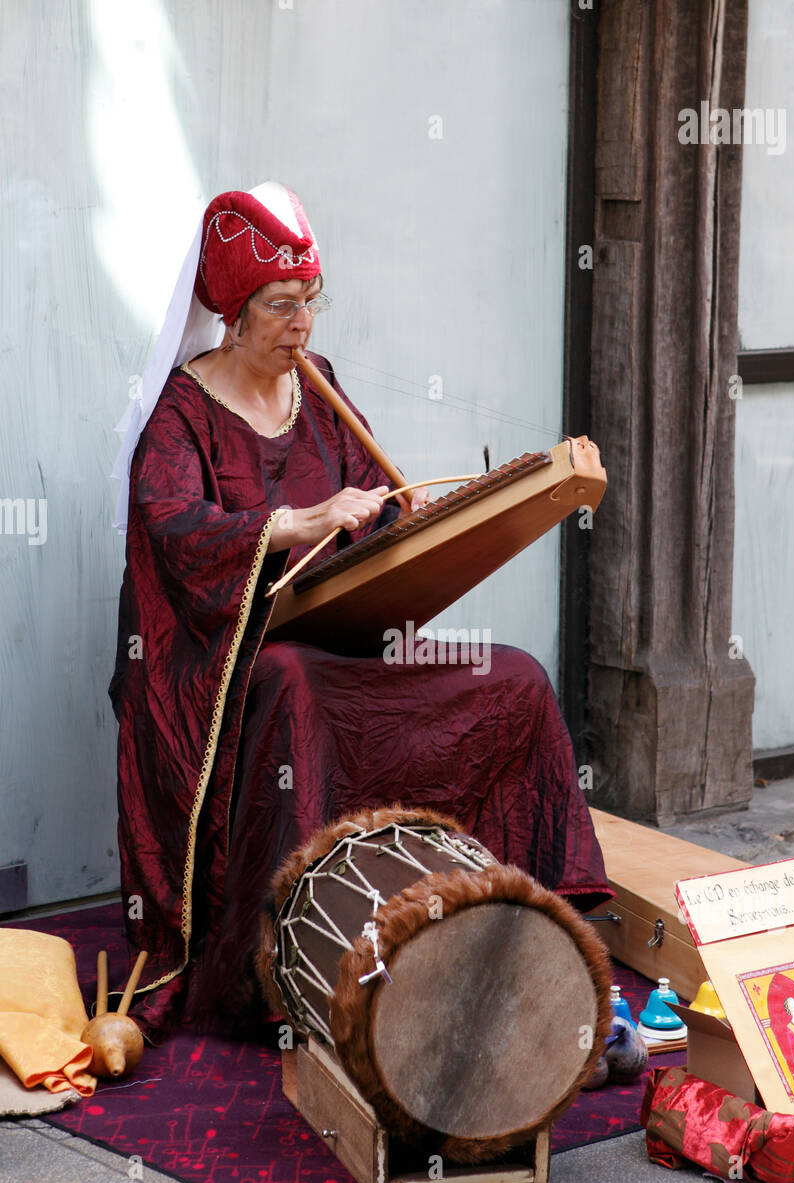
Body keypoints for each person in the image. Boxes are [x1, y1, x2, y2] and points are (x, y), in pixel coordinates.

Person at [108, 182, 611, 1040]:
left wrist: (410, 524)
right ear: (231, 310)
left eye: (311, 302)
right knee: (295, 679)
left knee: (514, 676)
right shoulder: (182, 415)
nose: (301, 326)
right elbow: (173, 537)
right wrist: (293, 522)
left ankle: (520, 914)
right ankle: (297, 953)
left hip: (353, 641)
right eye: (280, 306)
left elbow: (377, 509)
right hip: (234, 664)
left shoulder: (322, 388)